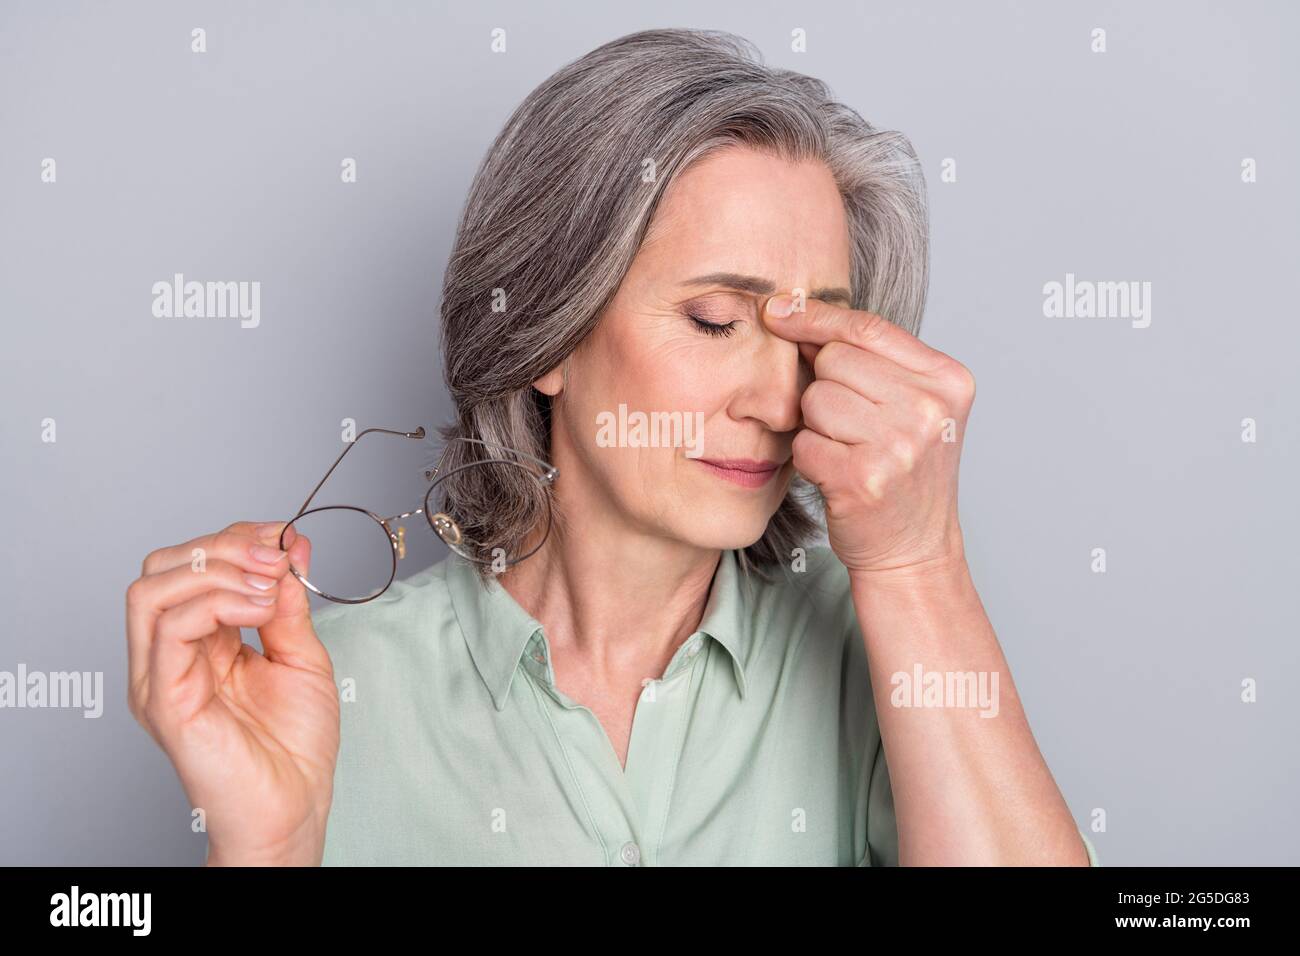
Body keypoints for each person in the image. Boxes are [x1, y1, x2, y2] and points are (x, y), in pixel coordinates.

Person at [125, 27, 1098, 866]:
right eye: (715, 320)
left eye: (814, 342)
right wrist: (267, 850)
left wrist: (920, 565)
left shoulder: (886, 648)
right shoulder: (328, 690)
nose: (778, 401)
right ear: (549, 332)